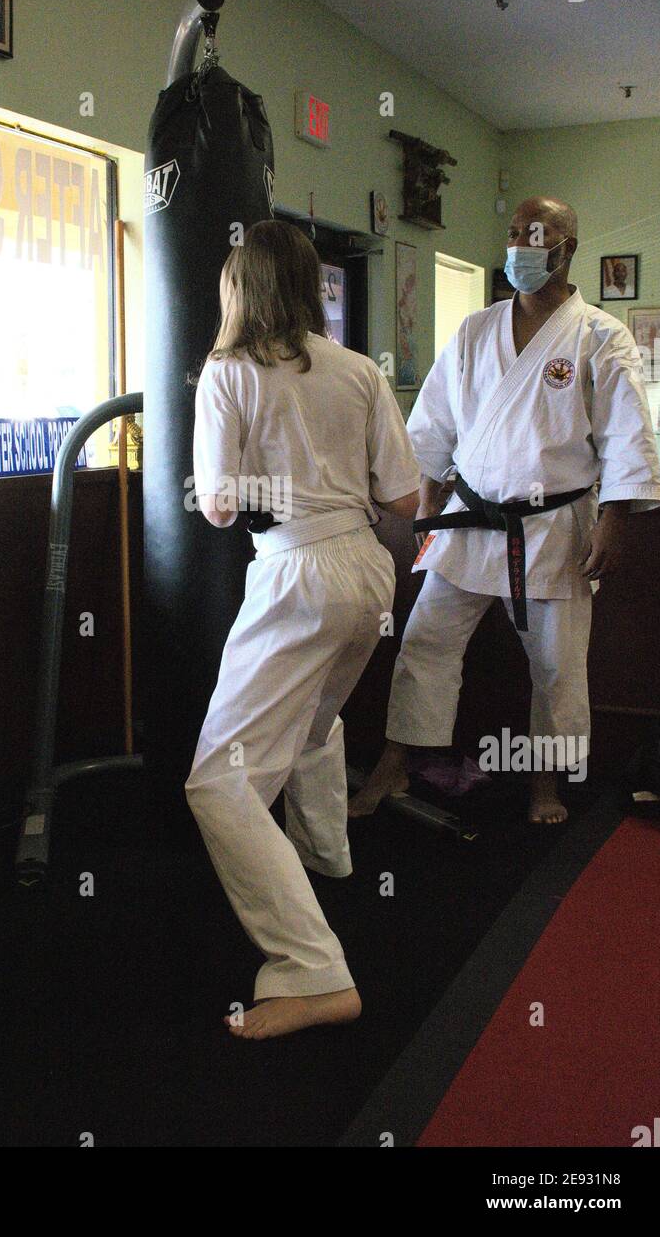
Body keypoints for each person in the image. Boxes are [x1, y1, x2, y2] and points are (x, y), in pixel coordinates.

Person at [349, 197, 660, 826]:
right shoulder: (475, 330)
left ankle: (543, 783)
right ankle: (395, 761)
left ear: (566, 245)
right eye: (514, 232)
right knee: (425, 642)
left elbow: (627, 434)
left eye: (534, 233)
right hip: (470, 518)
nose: (519, 243)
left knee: (556, 664)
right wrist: (430, 492)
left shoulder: (600, 336)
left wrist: (617, 518)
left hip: (553, 526)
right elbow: (435, 418)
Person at [186, 220, 420, 1040]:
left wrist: (265, 478)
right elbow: (404, 501)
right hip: (368, 572)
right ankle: (326, 860)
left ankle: (311, 969)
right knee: (314, 725)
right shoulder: (359, 370)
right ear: (311, 284)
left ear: (239, 287)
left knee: (218, 782)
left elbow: (216, 504)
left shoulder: (226, 371)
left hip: (297, 574)